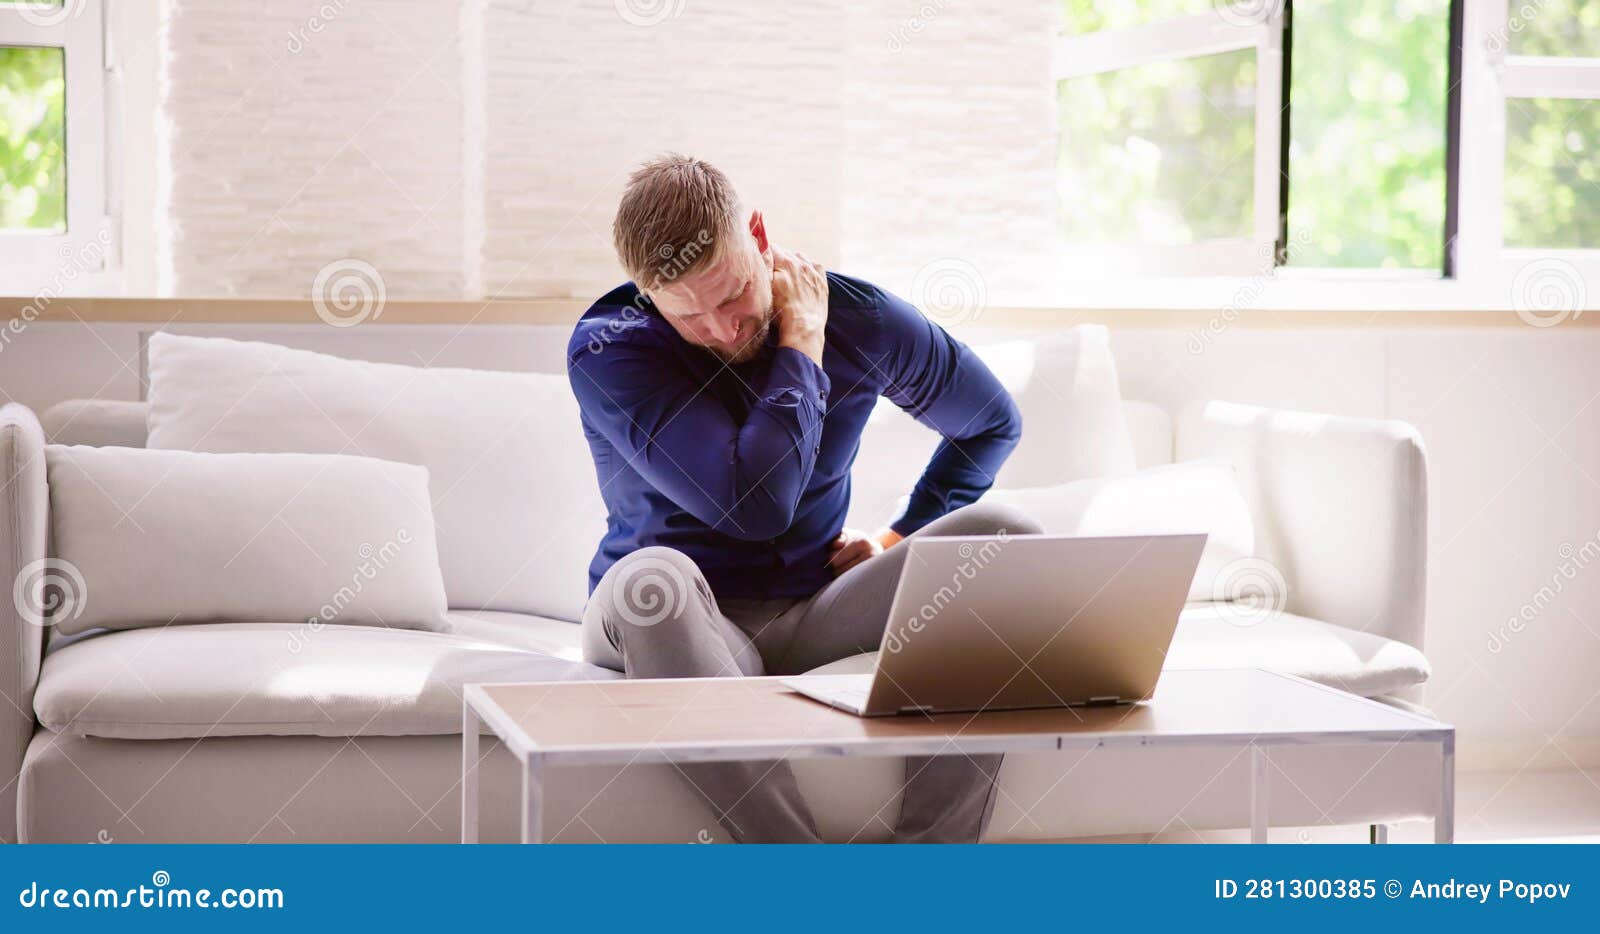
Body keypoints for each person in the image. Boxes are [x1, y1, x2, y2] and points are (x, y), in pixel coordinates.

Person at [567, 154, 1040, 843]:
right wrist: (802, 344)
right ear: (648, 296)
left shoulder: (862, 318)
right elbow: (755, 507)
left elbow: (991, 423)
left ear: (759, 237)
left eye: (732, 295)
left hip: (813, 609)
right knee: (654, 580)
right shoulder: (611, 351)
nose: (721, 329)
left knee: (1004, 534)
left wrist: (900, 534)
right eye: (688, 315)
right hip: (674, 620)